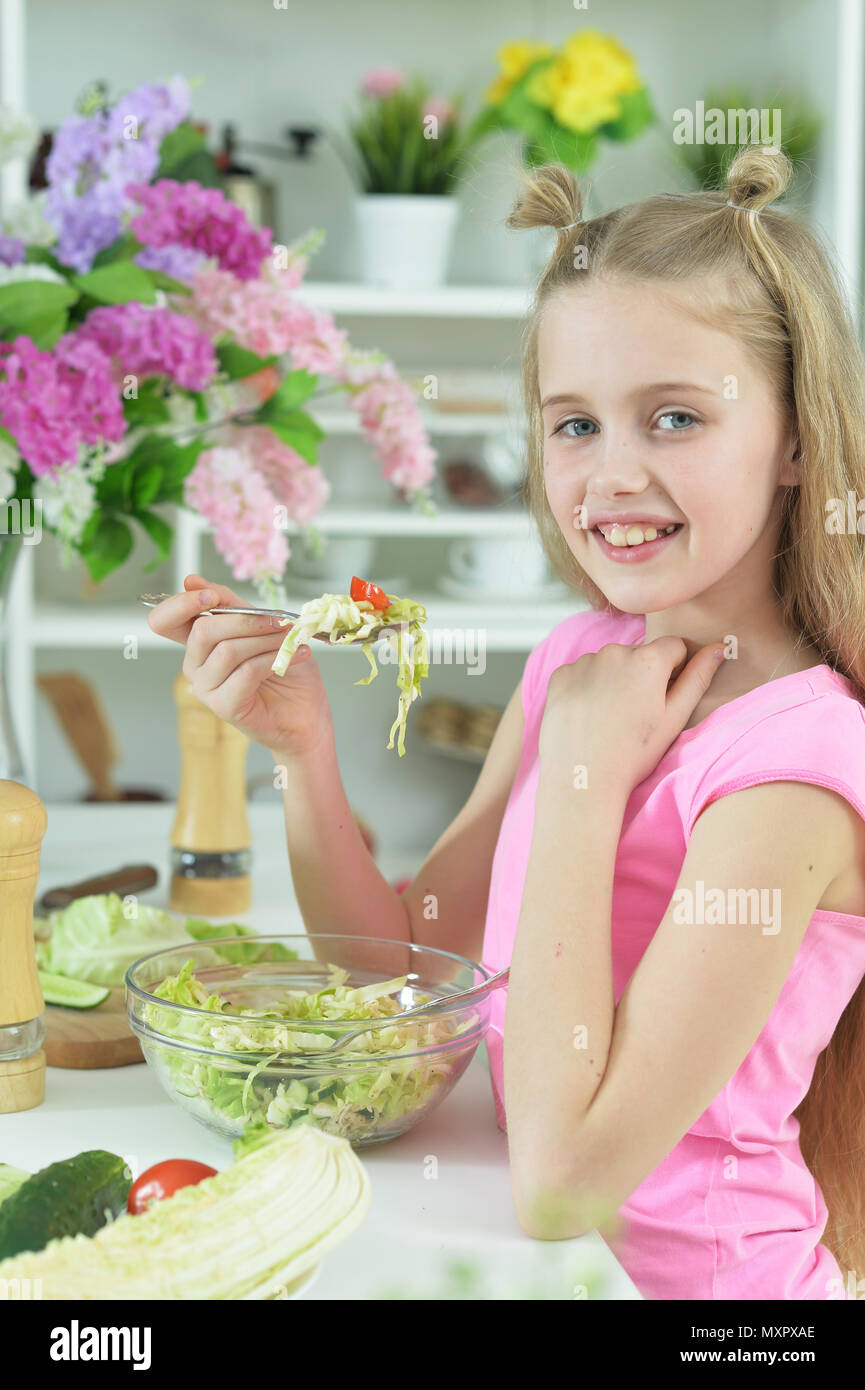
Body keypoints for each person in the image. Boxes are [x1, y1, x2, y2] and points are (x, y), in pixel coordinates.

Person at [148, 141, 865, 1301]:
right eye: (573, 424)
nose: (610, 474)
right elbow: (403, 968)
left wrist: (583, 775)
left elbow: (564, 1186)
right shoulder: (575, 665)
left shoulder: (794, 766)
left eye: (673, 417)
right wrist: (304, 752)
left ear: (794, 438)